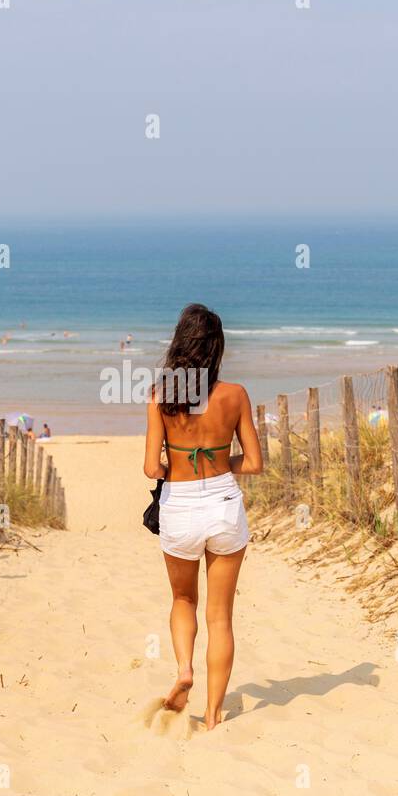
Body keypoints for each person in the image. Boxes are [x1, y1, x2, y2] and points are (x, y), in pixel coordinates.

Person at [143, 303, 263, 730]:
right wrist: (218, 464)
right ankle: (213, 716)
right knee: (220, 616)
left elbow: (151, 468)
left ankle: (183, 670)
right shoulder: (235, 395)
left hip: (180, 506)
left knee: (182, 599)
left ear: (179, 343)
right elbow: (253, 463)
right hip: (224, 506)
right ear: (217, 348)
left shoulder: (161, 395)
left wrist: (176, 463)